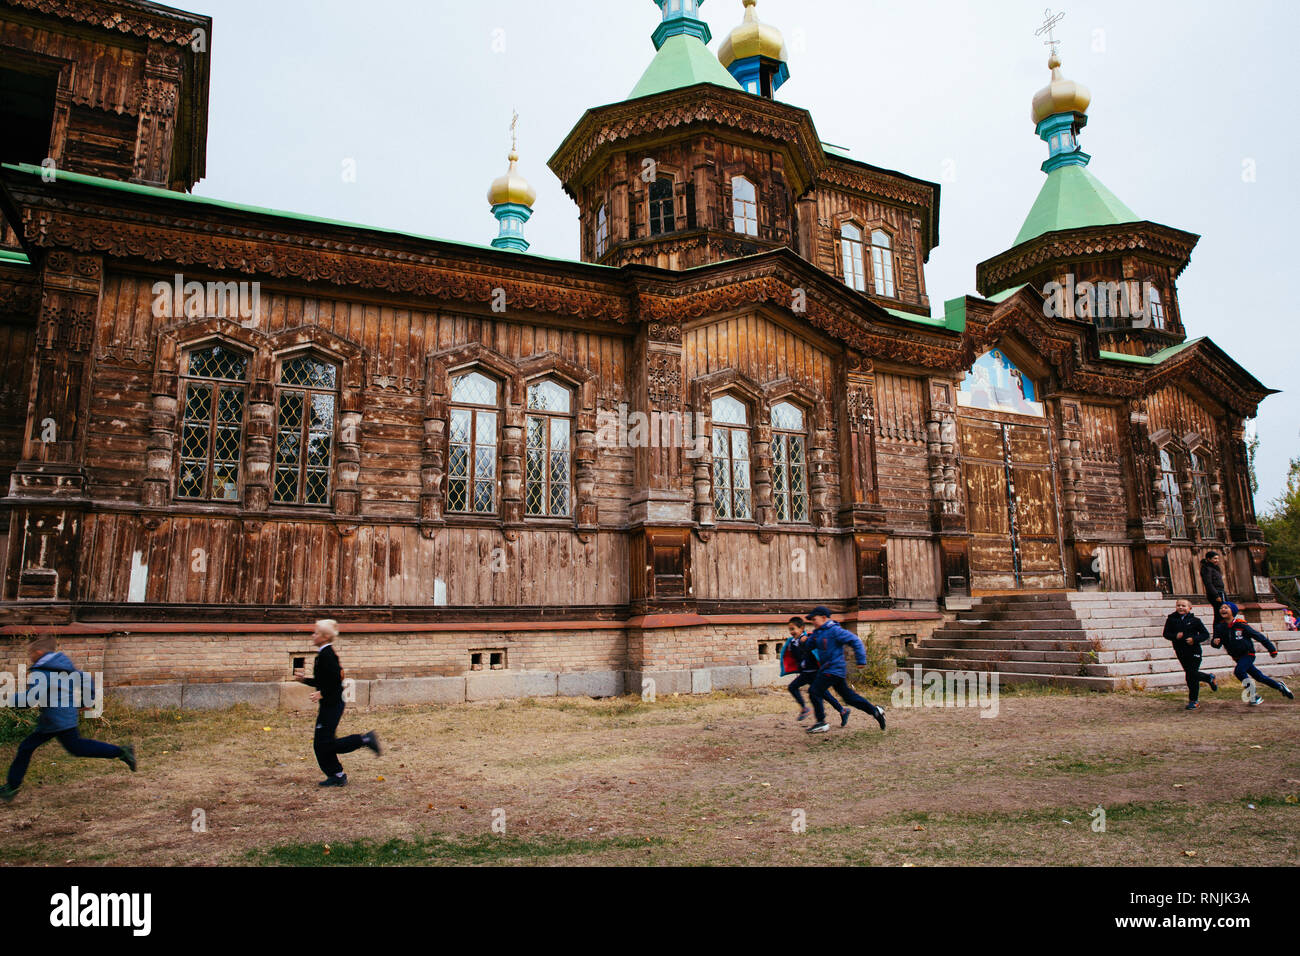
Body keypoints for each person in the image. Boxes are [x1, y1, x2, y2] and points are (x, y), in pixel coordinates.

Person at [0, 637, 135, 803]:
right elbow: (86, 679)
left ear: (39, 653)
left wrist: (6, 700)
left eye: (31, 653)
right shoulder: (63, 666)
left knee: (34, 747)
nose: (30, 657)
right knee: (65, 747)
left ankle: (12, 787)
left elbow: (30, 699)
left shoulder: (43, 671)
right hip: (59, 717)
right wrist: (87, 701)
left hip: (56, 720)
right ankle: (122, 752)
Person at [294, 620, 381, 787]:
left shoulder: (328, 656)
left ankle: (364, 740)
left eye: (316, 633)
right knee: (322, 744)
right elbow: (324, 681)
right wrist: (304, 680)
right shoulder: (323, 654)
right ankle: (337, 774)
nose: (313, 635)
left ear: (325, 637)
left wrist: (322, 693)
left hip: (333, 704)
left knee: (324, 744)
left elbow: (337, 680)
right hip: (330, 704)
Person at [805, 606, 886, 735]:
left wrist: (860, 660)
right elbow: (809, 646)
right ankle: (875, 711)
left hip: (833, 669)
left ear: (824, 618)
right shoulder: (818, 632)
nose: (813, 622)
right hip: (831, 670)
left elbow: (855, 641)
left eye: (814, 619)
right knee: (849, 698)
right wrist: (808, 639)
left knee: (814, 691)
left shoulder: (835, 631)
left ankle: (821, 722)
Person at [1210, 603, 1294, 706]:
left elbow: (1257, 636)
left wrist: (1271, 649)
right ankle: (1280, 686)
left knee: (1239, 671)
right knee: (1259, 677)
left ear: (1233, 611)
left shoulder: (1241, 625)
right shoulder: (1220, 627)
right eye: (1221, 608)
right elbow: (1216, 643)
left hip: (1248, 654)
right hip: (1236, 657)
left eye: (1226, 608)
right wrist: (1215, 643)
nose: (1223, 609)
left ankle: (1254, 696)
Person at [779, 617, 843, 723]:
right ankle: (840, 710)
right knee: (795, 687)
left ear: (802, 628)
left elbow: (817, 648)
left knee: (822, 694)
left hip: (814, 672)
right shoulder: (792, 643)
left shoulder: (807, 639)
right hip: (805, 673)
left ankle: (839, 711)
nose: (791, 632)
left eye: (793, 629)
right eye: (790, 629)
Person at [1162, 598, 1217, 710]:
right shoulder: (1171, 619)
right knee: (1190, 674)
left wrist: (1194, 639)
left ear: (1190, 608)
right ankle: (1209, 678)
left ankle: (1194, 700)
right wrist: (1175, 636)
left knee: (1191, 675)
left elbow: (1205, 634)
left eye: (1183, 606)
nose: (1181, 608)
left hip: (1194, 650)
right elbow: (1166, 633)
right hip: (1180, 651)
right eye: (1179, 605)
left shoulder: (1195, 620)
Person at [1199, 551, 1228, 617]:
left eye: (1217, 558)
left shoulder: (1214, 568)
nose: (1217, 560)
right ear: (1209, 559)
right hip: (1215, 593)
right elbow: (1208, 583)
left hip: (1221, 591)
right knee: (1219, 613)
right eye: (1215, 558)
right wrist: (1216, 595)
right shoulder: (1207, 569)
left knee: (1224, 612)